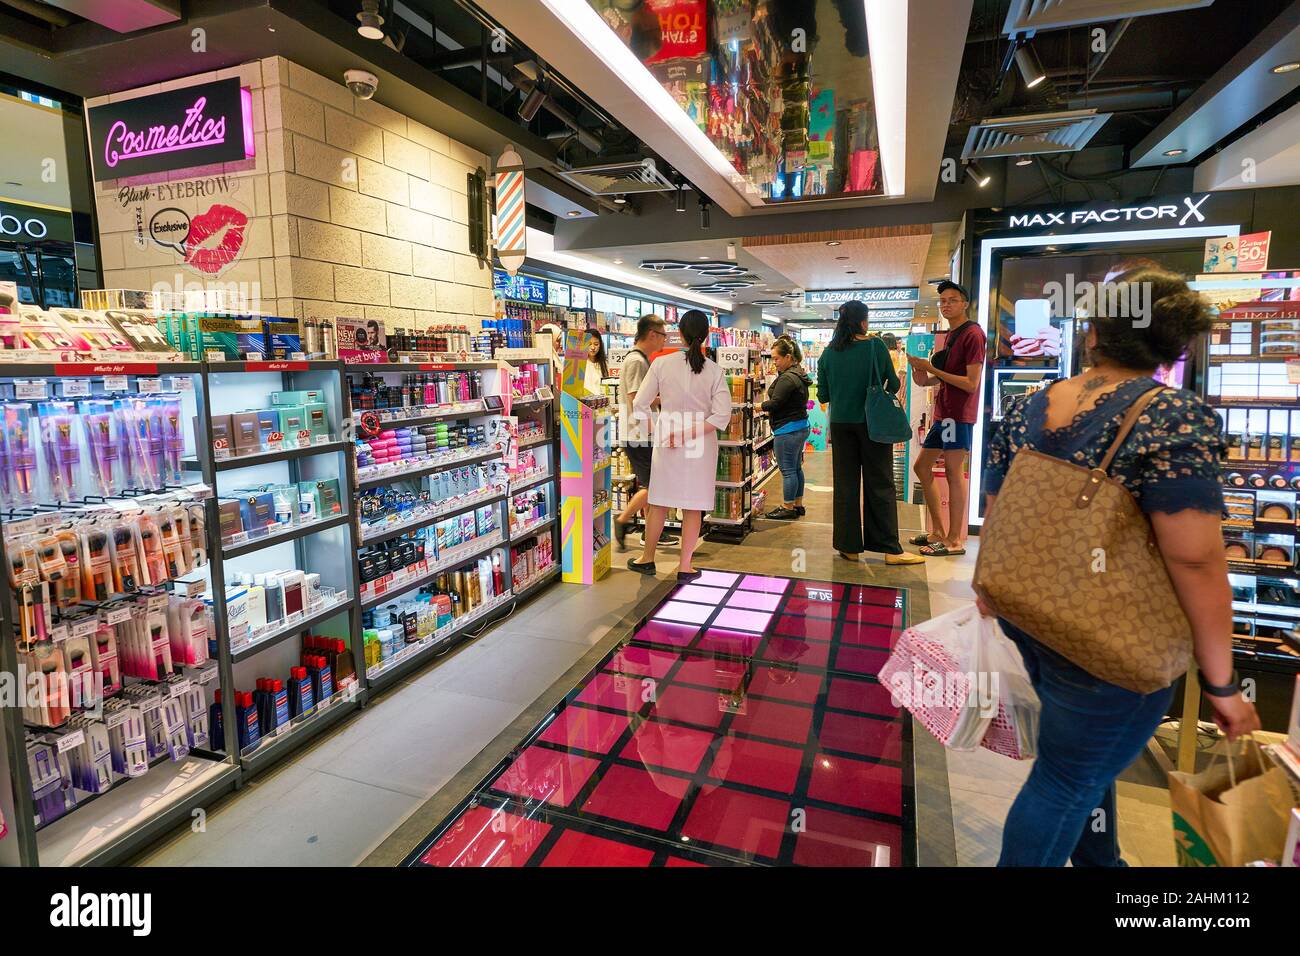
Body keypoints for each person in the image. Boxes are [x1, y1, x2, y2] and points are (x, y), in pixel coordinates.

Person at [981, 268, 1260, 867]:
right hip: (1113, 637)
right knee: (1064, 780)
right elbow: (1196, 558)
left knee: (1081, 762)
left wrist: (992, 587)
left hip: (1033, 612)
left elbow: (997, 506)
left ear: (1092, 335)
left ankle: (1101, 863)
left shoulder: (1029, 405)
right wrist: (1222, 684)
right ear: (1173, 345)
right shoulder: (1173, 417)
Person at [816, 300, 924, 566]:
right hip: (872, 422)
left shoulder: (829, 353)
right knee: (880, 483)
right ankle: (889, 548)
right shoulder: (875, 346)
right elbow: (894, 382)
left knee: (845, 484)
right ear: (864, 321)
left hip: (841, 425)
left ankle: (848, 546)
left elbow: (824, 394)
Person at [627, 309, 732, 581]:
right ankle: (685, 565)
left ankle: (647, 558)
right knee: (693, 506)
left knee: (659, 501)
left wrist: (655, 427)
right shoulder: (715, 370)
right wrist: (688, 433)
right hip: (701, 443)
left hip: (668, 440)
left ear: (680, 335)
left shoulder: (662, 364)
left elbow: (639, 403)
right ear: (707, 335)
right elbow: (722, 416)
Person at [907, 280, 986, 557]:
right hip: (944, 414)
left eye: (952, 300)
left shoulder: (973, 334)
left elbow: (970, 383)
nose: (946, 305)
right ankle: (938, 532)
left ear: (965, 303)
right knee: (921, 467)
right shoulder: (952, 335)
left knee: (954, 473)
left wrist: (932, 370)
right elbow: (939, 380)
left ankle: (954, 540)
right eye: (943, 301)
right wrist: (922, 375)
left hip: (958, 415)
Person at [613, 315, 677, 549]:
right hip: (639, 435)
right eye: (663, 336)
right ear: (652, 334)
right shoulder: (636, 362)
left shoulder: (641, 360)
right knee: (654, 486)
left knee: (652, 484)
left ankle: (652, 532)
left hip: (643, 434)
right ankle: (622, 519)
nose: (664, 342)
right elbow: (637, 399)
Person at [762, 335, 812, 520]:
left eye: (776, 358)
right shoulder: (798, 374)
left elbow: (776, 402)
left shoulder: (787, 378)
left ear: (788, 357)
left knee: (788, 470)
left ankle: (787, 507)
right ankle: (798, 505)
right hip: (799, 426)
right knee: (796, 468)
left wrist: (756, 406)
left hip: (787, 429)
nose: (774, 362)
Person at [584, 329, 610, 395]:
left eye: (596, 344)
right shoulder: (579, 364)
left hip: (602, 402)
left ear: (600, 345)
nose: (593, 347)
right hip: (583, 403)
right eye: (589, 344)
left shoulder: (605, 364)